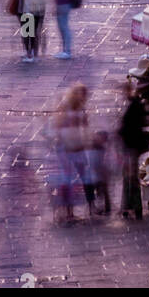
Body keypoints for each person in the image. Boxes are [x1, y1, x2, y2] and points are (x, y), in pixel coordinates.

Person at [52, 83, 89, 225]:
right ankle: (68, 211)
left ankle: (71, 209)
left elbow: (85, 127)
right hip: (65, 147)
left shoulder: (82, 108)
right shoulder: (65, 106)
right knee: (67, 178)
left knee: (80, 176)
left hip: (77, 146)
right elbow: (57, 125)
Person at [118, 82, 148, 220]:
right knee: (129, 177)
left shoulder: (135, 105)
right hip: (130, 147)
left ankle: (134, 207)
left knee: (130, 177)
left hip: (131, 147)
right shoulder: (134, 104)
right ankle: (129, 207)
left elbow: (130, 127)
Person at [84, 130, 111, 216]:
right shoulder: (93, 147)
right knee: (97, 188)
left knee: (101, 189)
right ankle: (95, 207)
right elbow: (92, 161)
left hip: (95, 172)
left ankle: (101, 207)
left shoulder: (101, 148)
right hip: (92, 172)